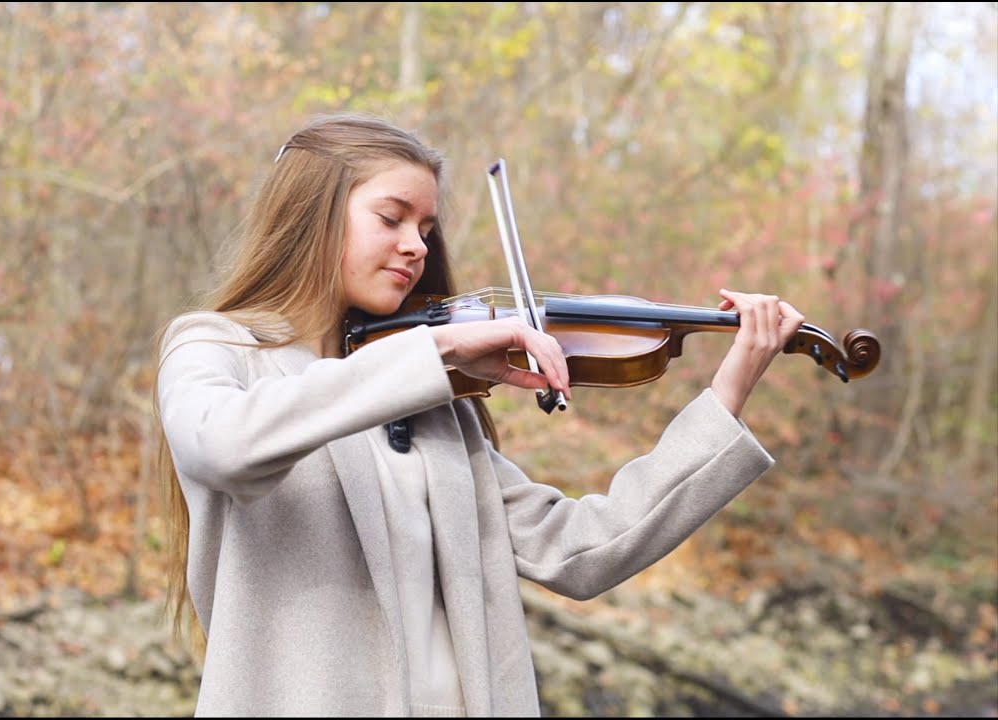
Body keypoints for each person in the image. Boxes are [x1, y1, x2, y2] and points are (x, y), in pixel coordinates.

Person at [152, 112, 805, 717]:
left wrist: (728, 393)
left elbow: (583, 551)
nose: (415, 246)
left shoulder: (434, 405)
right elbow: (221, 448)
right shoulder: (215, 349)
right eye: (391, 218)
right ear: (311, 218)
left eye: (427, 230)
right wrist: (432, 351)